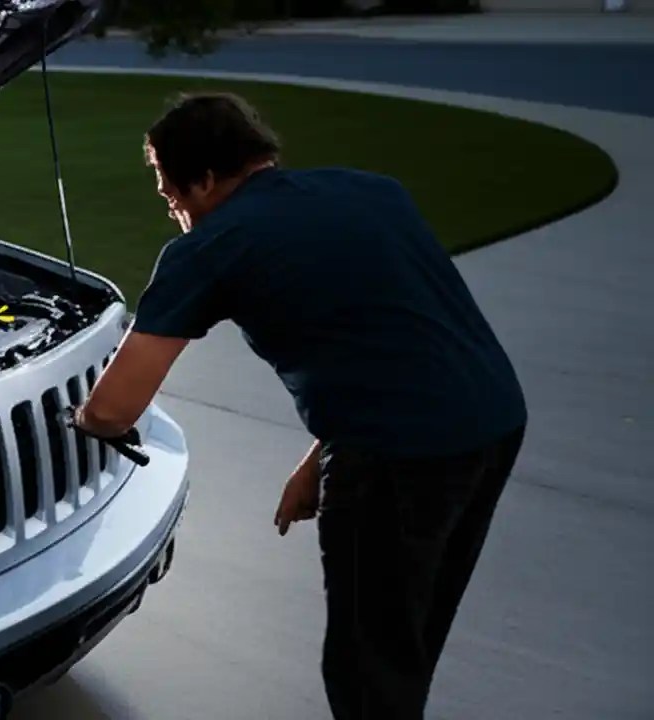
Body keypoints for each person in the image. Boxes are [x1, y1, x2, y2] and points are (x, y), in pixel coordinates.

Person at [73, 92, 528, 720]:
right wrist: (321, 458)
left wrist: (76, 418)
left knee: (367, 664)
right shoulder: (372, 192)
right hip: (494, 419)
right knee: (409, 633)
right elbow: (394, 338)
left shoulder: (211, 247)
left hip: (401, 453)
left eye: (170, 192)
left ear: (204, 179)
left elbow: (112, 411)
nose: (171, 207)